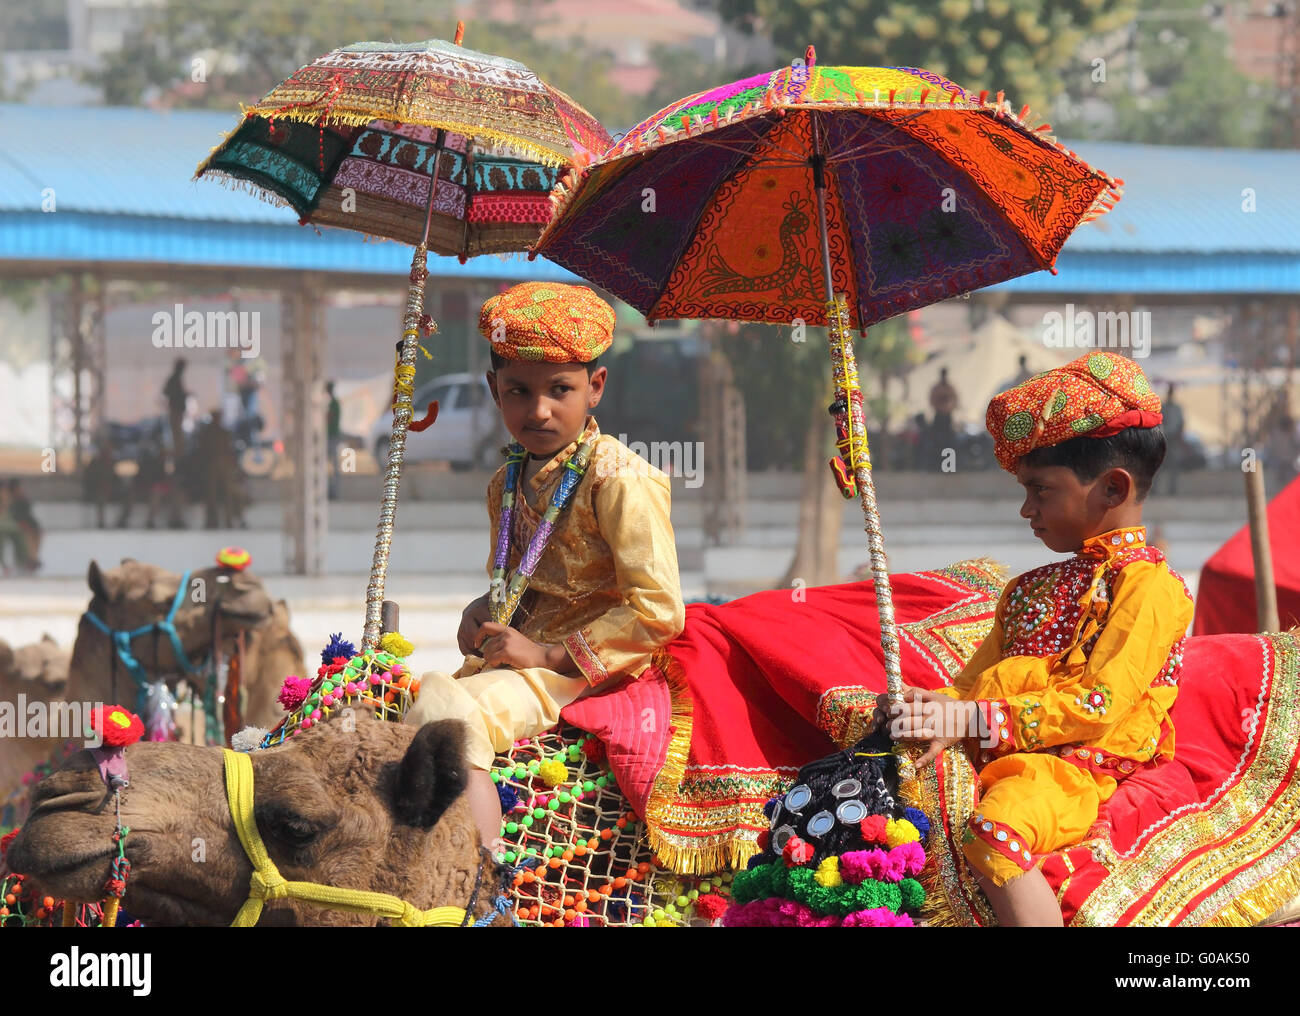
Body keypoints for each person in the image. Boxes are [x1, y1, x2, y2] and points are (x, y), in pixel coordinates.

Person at [881, 351, 1192, 927]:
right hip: (1002, 750)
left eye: (1041, 490)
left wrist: (970, 721)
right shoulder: (1026, 589)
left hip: (1079, 767)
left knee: (995, 834)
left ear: (1112, 488)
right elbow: (971, 685)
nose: (1026, 509)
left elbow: (1094, 705)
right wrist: (934, 710)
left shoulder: (1150, 587)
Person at [404, 282, 686, 848]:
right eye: (517, 392)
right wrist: (480, 611)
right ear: (493, 390)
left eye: (560, 389)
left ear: (595, 387)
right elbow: (518, 585)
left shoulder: (621, 480)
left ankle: (486, 880)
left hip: (586, 677)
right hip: (518, 669)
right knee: (398, 701)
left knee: (446, 716)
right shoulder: (505, 481)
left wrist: (551, 653)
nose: (538, 410)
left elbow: (659, 612)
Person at [5, 478, 41, 572]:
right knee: (26, 536)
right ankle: (28, 560)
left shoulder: (22, 499)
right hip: (17, 525)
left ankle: (32, 559)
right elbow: (13, 515)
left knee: (33, 536)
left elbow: (28, 515)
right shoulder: (10, 500)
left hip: (27, 526)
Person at [927, 366, 958, 467]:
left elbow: (955, 401)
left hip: (946, 417)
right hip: (939, 416)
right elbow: (932, 401)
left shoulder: (949, 388)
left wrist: (947, 408)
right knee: (937, 441)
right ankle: (937, 465)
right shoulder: (938, 388)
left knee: (948, 442)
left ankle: (949, 466)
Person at [1158, 382, 1185, 496]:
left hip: (1173, 439)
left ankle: (1172, 490)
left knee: (1174, 466)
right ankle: (1155, 490)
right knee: (1160, 465)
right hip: (1164, 438)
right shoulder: (1163, 407)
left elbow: (1181, 424)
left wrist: (1179, 437)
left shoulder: (1177, 408)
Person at [163, 358, 189, 454]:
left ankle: (179, 453)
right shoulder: (174, 379)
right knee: (177, 435)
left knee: (178, 434)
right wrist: (179, 395)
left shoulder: (176, 379)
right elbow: (166, 391)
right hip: (175, 409)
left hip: (177, 409)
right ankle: (179, 455)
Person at [326, 380, 342, 500]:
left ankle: (334, 491)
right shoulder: (334, 403)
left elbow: (328, 419)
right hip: (333, 436)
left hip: (331, 436)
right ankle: (333, 490)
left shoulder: (333, 404)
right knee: (332, 464)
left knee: (332, 464)